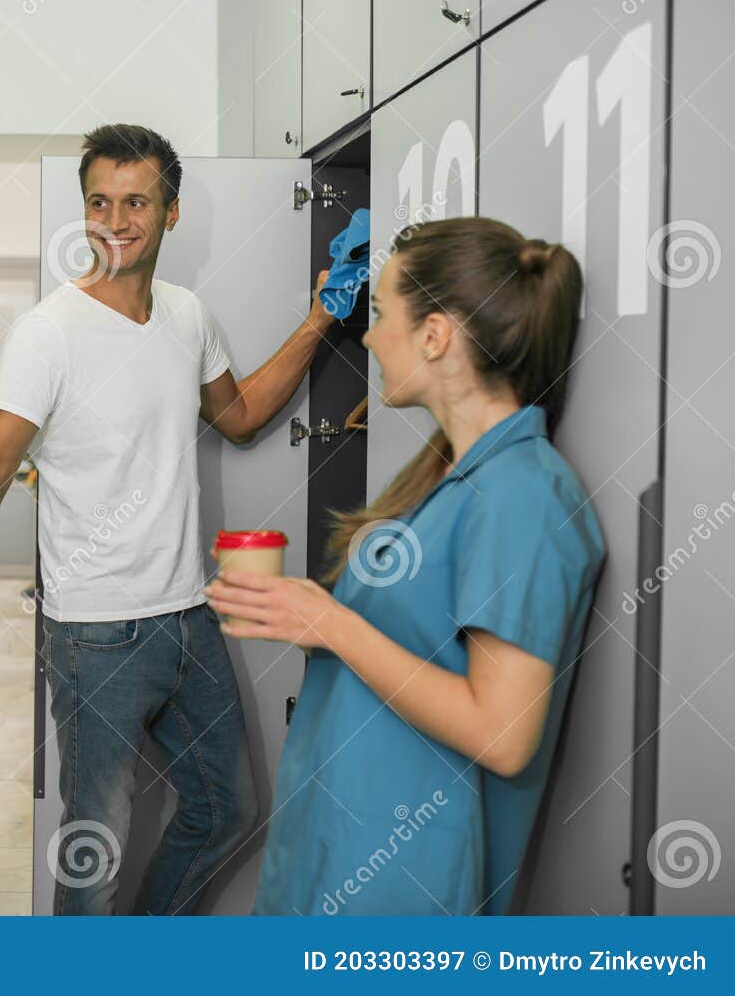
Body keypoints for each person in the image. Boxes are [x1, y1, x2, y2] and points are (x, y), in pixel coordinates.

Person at [0, 123, 336, 914]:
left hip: (188, 615)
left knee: (226, 808)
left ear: (171, 212)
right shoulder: (48, 332)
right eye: (100, 201)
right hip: (96, 632)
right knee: (92, 848)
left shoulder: (187, 316)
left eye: (137, 201)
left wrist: (319, 319)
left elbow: (238, 417)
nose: (116, 219)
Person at [207, 217, 605, 915]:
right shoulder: (448, 473)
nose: (366, 334)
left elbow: (503, 735)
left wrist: (330, 623)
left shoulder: (522, 495)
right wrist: (306, 620)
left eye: (382, 313)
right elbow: (420, 642)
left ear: (436, 334)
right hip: (344, 846)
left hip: (405, 882)